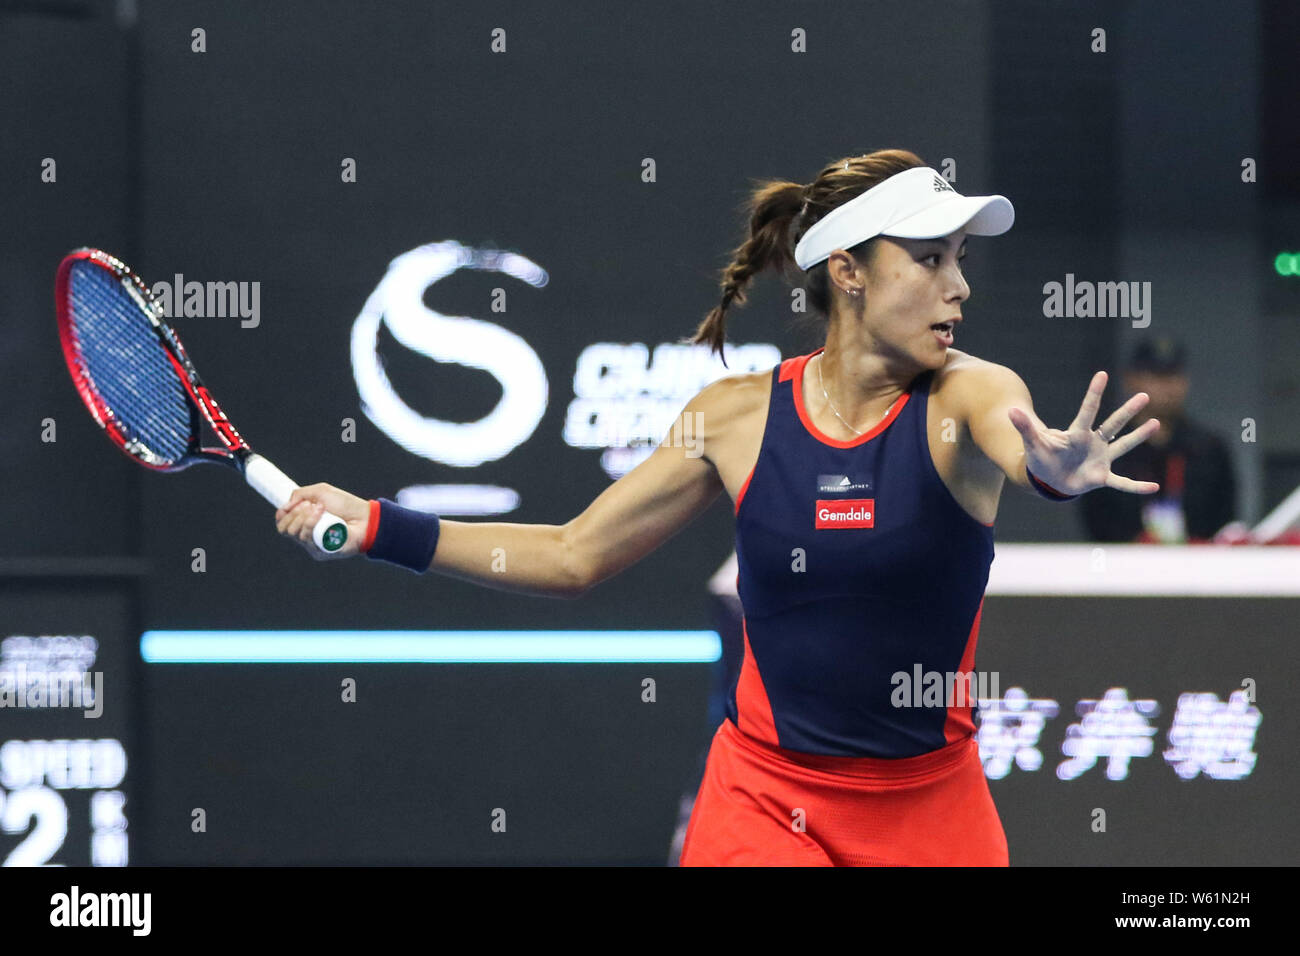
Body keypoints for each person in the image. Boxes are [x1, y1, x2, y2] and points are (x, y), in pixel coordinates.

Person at [274, 148, 1162, 866]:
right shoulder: (732, 420)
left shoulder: (970, 394)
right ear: (848, 272)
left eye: (960, 260)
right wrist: (379, 525)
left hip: (931, 809)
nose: (958, 286)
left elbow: (1029, 450)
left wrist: (1057, 472)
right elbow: (572, 554)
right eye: (929, 260)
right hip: (766, 802)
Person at [1080, 336, 1237, 543]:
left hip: (1198, 566)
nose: (1166, 386)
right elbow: (1095, 515)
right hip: (1122, 566)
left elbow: (1226, 518)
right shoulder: (1106, 447)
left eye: (1173, 375)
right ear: (1131, 379)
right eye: (1155, 376)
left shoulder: (1210, 448)